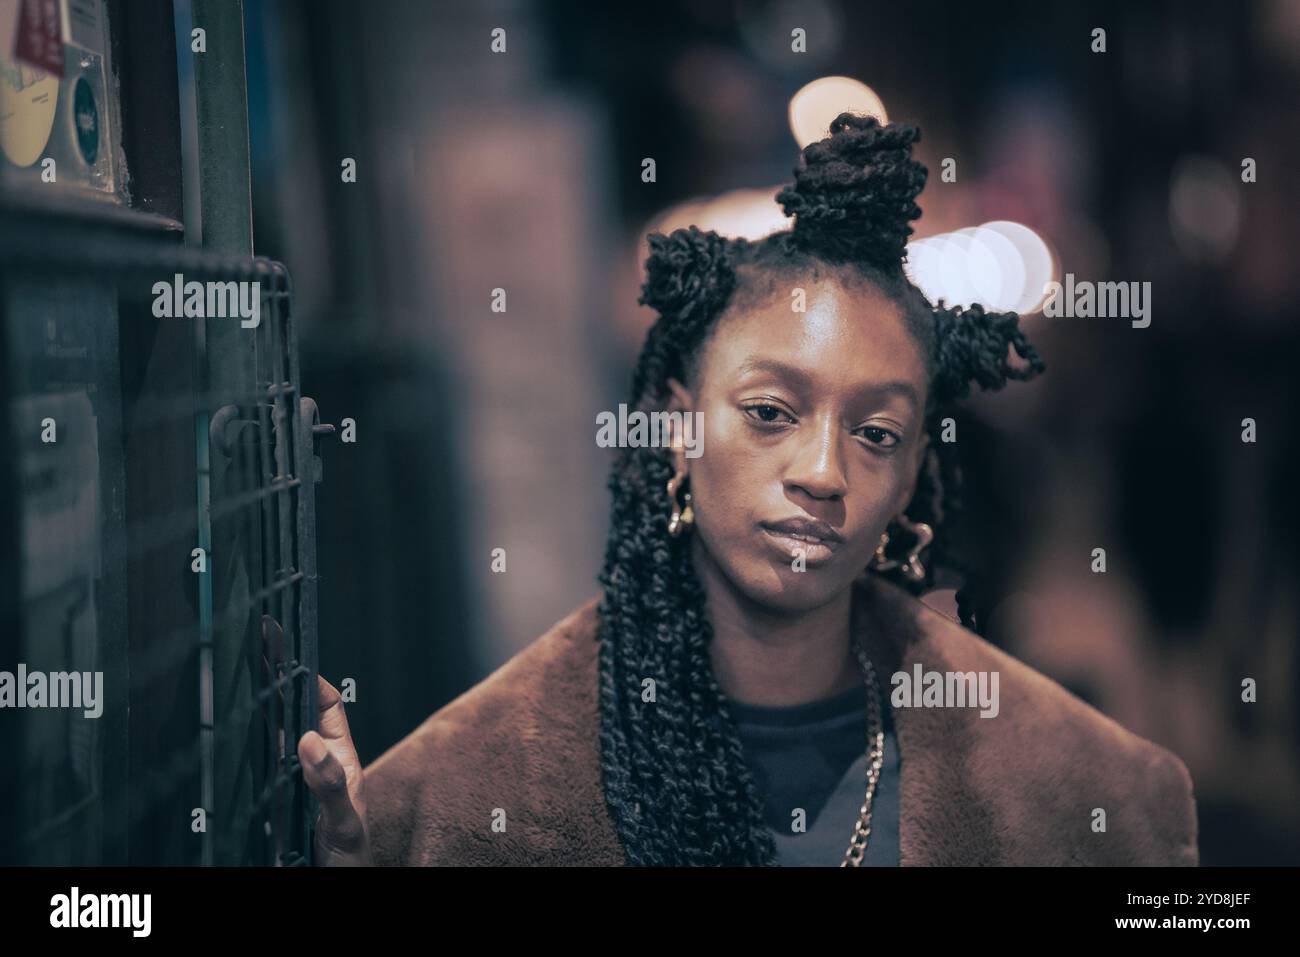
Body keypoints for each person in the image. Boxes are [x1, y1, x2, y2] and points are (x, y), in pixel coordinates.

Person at [295, 113, 1198, 867]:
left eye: (875, 433)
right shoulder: (469, 791)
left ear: (916, 470)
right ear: (682, 429)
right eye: (770, 412)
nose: (821, 472)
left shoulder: (1090, 792)